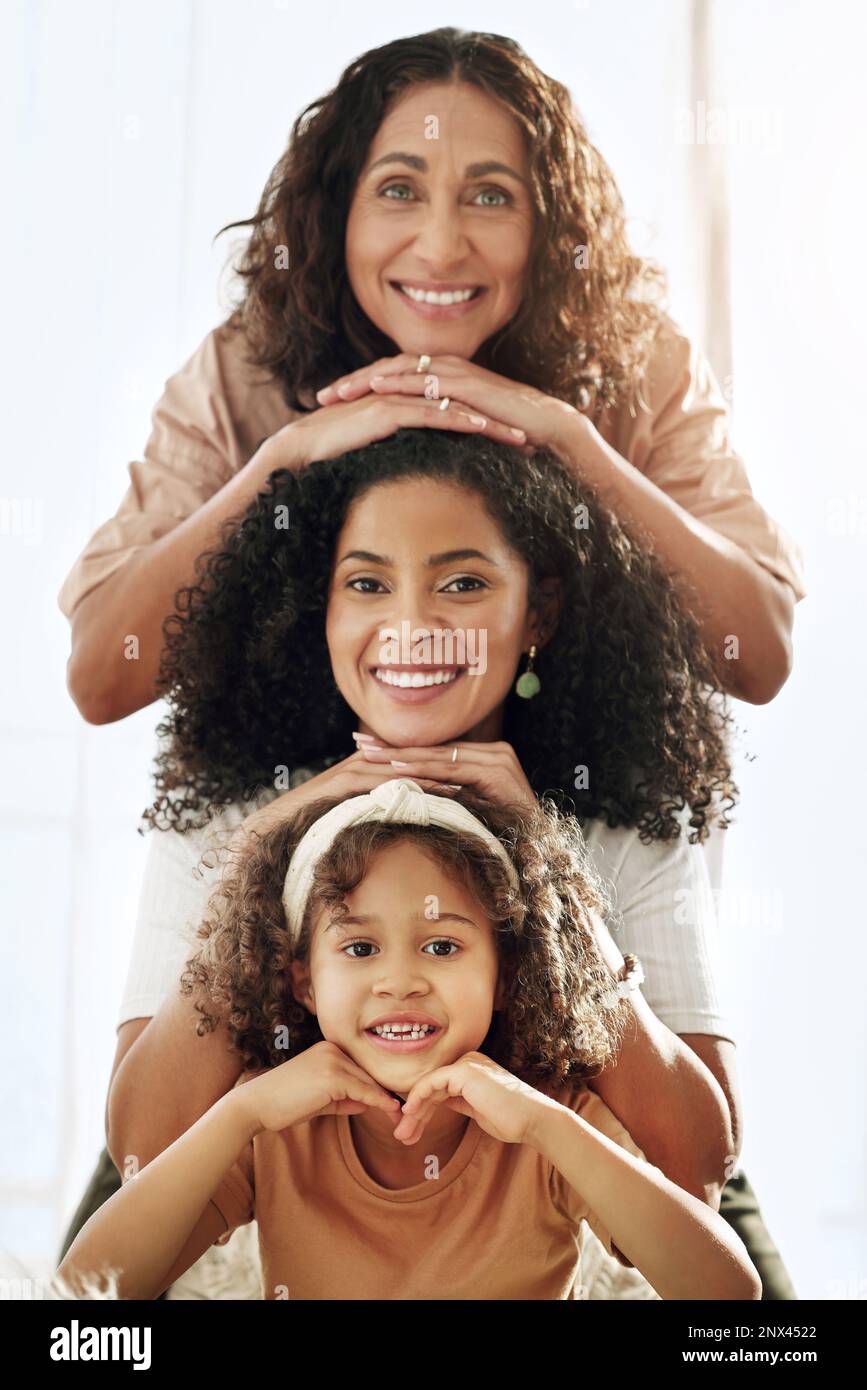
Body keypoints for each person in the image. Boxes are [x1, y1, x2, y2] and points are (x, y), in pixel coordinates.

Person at [59, 430, 795, 1298]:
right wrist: (266, 846)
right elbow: (144, 1154)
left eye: (464, 583)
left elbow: (699, 1170)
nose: (411, 625)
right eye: (367, 583)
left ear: (539, 613)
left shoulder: (618, 820)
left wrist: (550, 863)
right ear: (320, 608)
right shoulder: (237, 813)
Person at [59, 27, 804, 727]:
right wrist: (282, 458)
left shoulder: (638, 365)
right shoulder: (245, 368)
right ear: (337, 212)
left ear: (547, 229)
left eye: (490, 196)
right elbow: (101, 678)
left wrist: (573, 443)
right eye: (398, 190)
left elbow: (757, 657)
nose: (442, 248)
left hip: (571, 837)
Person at [57, 776, 761, 1301]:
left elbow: (727, 1294)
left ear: (504, 971)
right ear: (303, 982)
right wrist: (239, 1114)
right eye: (360, 949)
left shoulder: (549, 1116)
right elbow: (91, 1290)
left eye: (443, 947)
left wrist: (546, 1127)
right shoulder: (272, 1124)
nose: (400, 982)